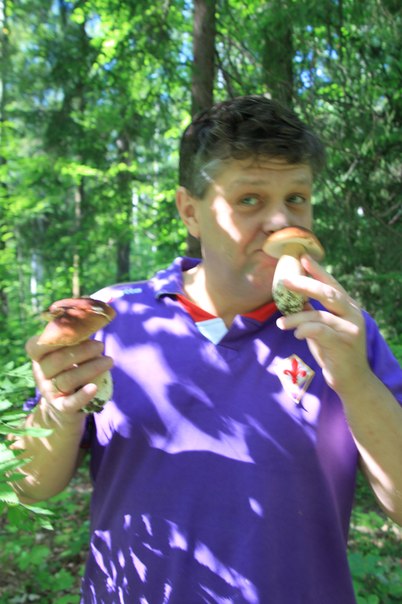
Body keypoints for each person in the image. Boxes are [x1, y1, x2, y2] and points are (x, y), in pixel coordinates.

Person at [11, 95, 402, 603]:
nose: (280, 221)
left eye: (297, 198)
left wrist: (355, 380)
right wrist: (60, 414)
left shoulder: (342, 330)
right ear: (190, 212)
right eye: (250, 199)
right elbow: (28, 483)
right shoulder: (114, 319)